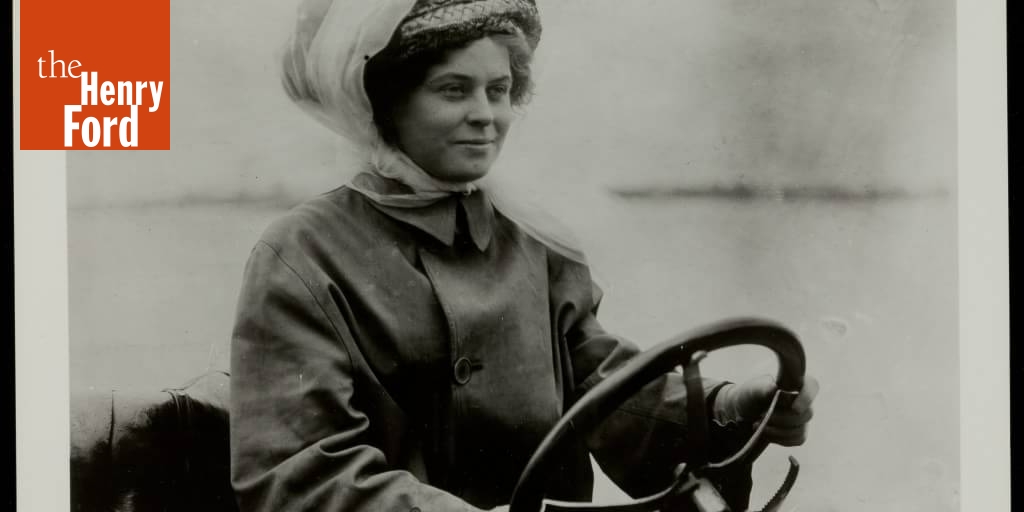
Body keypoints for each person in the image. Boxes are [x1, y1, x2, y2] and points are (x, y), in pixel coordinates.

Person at [228, 1, 820, 511]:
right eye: (452, 89)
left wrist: (730, 408)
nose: (486, 114)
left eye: (500, 90)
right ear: (385, 103)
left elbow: (607, 392)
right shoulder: (302, 253)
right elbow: (299, 474)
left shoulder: (532, 240)